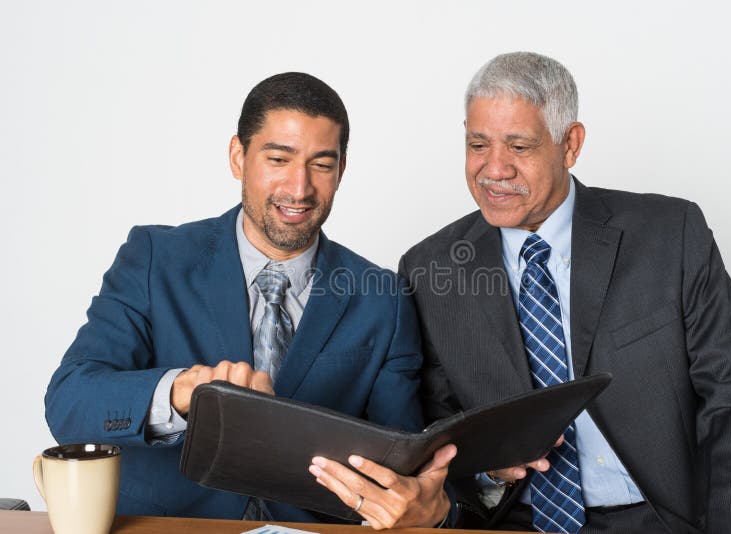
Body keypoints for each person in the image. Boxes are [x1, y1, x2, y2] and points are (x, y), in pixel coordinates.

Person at [393, 52, 731, 532]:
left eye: (519, 146)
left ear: (570, 144)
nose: (494, 169)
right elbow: (431, 436)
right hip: (515, 524)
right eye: (478, 144)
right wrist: (487, 472)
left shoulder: (671, 236)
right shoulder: (429, 269)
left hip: (656, 522)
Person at [44, 72, 449, 525]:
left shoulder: (383, 298)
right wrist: (182, 391)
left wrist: (425, 505)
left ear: (341, 170)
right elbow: (70, 401)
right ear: (238, 156)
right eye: (278, 159)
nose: (299, 188)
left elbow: (404, 464)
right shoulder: (155, 259)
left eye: (321, 164)